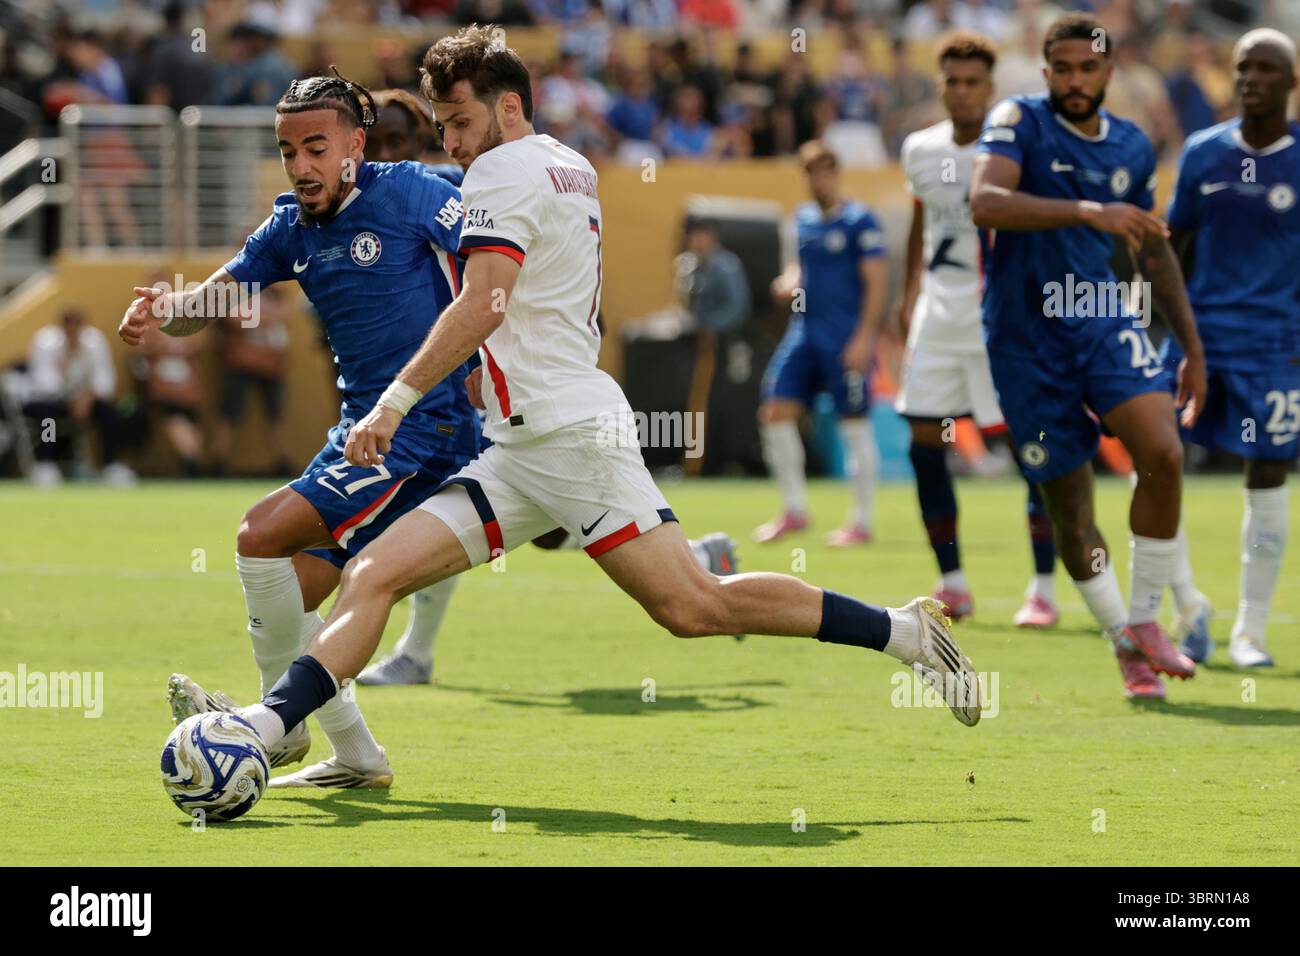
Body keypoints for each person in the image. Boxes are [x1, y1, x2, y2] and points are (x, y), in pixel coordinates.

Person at [223, 27, 983, 779]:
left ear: (509, 107)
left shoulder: (501, 175)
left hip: (568, 435)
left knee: (695, 608)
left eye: (458, 123)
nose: (448, 144)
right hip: (523, 445)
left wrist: (393, 401)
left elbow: (485, 303)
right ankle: (276, 729)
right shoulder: (569, 164)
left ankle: (902, 631)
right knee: (374, 574)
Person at [118, 68, 480, 789]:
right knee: (296, 596)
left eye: (317, 148)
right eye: (289, 152)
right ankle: (355, 756)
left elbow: (500, 270)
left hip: (423, 433)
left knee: (258, 535)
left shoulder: (413, 193)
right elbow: (214, 300)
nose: (302, 166)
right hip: (360, 435)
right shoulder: (291, 226)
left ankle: (275, 728)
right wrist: (166, 309)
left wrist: (493, 363)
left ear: (355, 143)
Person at [352, 88, 740, 686]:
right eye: (375, 145)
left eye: (400, 142)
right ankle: (399, 656)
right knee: (517, 522)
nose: (388, 156)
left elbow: (514, 285)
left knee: (550, 528)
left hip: (486, 382)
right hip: (459, 377)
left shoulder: (453, 188)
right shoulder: (366, 204)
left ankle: (408, 653)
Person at [968, 12, 1208, 699]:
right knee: (1070, 509)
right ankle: (1124, 646)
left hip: (1102, 318)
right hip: (1025, 339)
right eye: (1063, 70)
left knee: (1162, 452)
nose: (1075, 81)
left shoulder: (1131, 147)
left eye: (1088, 69)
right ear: (1047, 75)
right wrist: (1084, 210)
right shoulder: (1019, 120)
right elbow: (984, 200)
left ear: (1110, 72)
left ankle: (1147, 620)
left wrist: (1193, 349)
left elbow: (1153, 247)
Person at [894, 32, 1058, 628]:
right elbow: (921, 219)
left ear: (990, 90)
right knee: (923, 440)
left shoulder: (1013, 149)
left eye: (972, 83)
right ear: (940, 86)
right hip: (938, 313)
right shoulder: (919, 147)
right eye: (952, 82)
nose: (961, 93)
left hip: (999, 319)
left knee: (1027, 448)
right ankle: (953, 582)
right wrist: (908, 293)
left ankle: (1042, 587)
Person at [1161, 29, 1300, 668]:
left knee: (1267, 476)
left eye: (1267, 69)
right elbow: (1173, 248)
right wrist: (1168, 333)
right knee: (1158, 459)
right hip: (1200, 342)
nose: (1251, 79)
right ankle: (1189, 605)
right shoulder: (1203, 153)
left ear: (1291, 83)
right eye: (1244, 67)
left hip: (1276, 345)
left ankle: (1250, 632)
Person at [755, 140, 885, 548]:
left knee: (853, 423)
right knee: (775, 411)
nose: (820, 179)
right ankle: (794, 509)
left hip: (845, 336)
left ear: (837, 173)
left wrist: (865, 336)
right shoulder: (802, 220)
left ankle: (861, 521)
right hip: (804, 333)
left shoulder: (861, 221)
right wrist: (790, 279)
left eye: (827, 171)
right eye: (813, 172)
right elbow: (796, 264)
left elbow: (877, 283)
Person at [25, 308, 135, 487]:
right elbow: (44, 383)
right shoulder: (45, 342)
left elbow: (105, 379)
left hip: (86, 401)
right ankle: (46, 464)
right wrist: (66, 363)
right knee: (47, 418)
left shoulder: (95, 342)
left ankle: (111, 465)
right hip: (52, 403)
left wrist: (86, 398)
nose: (73, 331)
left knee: (109, 413)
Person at [212, 282, 294, 477]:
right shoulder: (233, 288)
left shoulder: (274, 290)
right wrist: (267, 316)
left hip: (271, 363)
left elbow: (288, 314)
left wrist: (257, 316)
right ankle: (218, 461)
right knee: (229, 413)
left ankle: (282, 460)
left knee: (275, 414)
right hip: (240, 361)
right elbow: (235, 318)